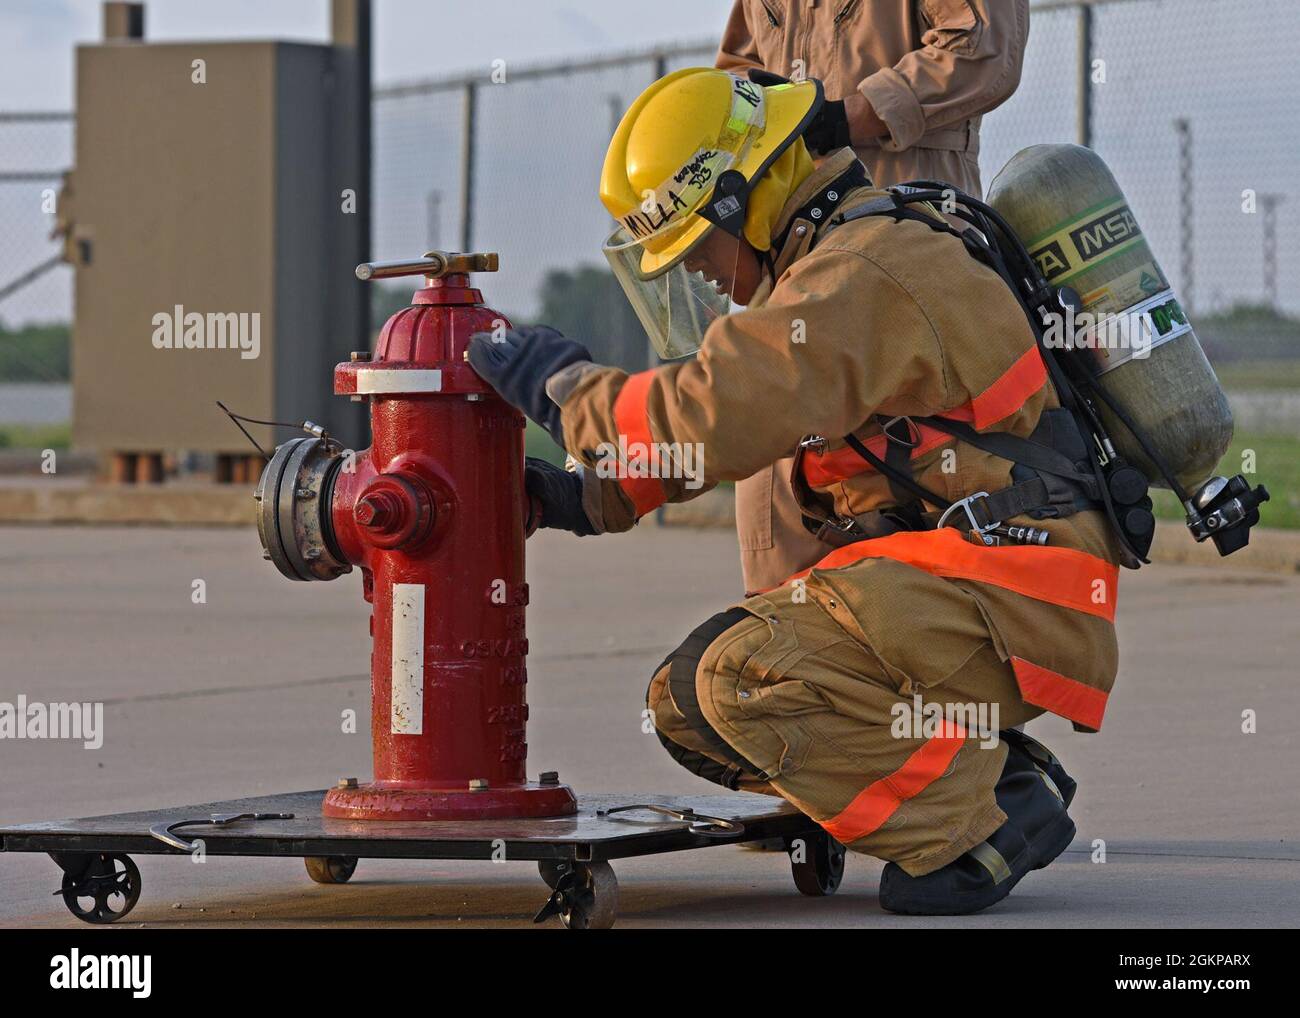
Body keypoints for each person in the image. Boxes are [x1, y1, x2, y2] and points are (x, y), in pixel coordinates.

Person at [469, 68, 1119, 914]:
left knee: (744, 677)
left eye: (698, 241)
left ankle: (976, 821)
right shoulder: (837, 263)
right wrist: (583, 498)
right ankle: (989, 767)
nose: (698, 269)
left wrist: (566, 390)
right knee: (684, 706)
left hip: (1018, 587)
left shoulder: (866, 270)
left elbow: (714, 412)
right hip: (975, 584)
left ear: (747, 197)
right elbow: (756, 421)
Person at [715, 0, 1032, 594]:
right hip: (786, 257)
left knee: (901, 511)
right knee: (779, 514)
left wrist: (849, 117)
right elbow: (739, 65)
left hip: (909, 241)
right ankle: (787, 663)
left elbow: (984, 46)